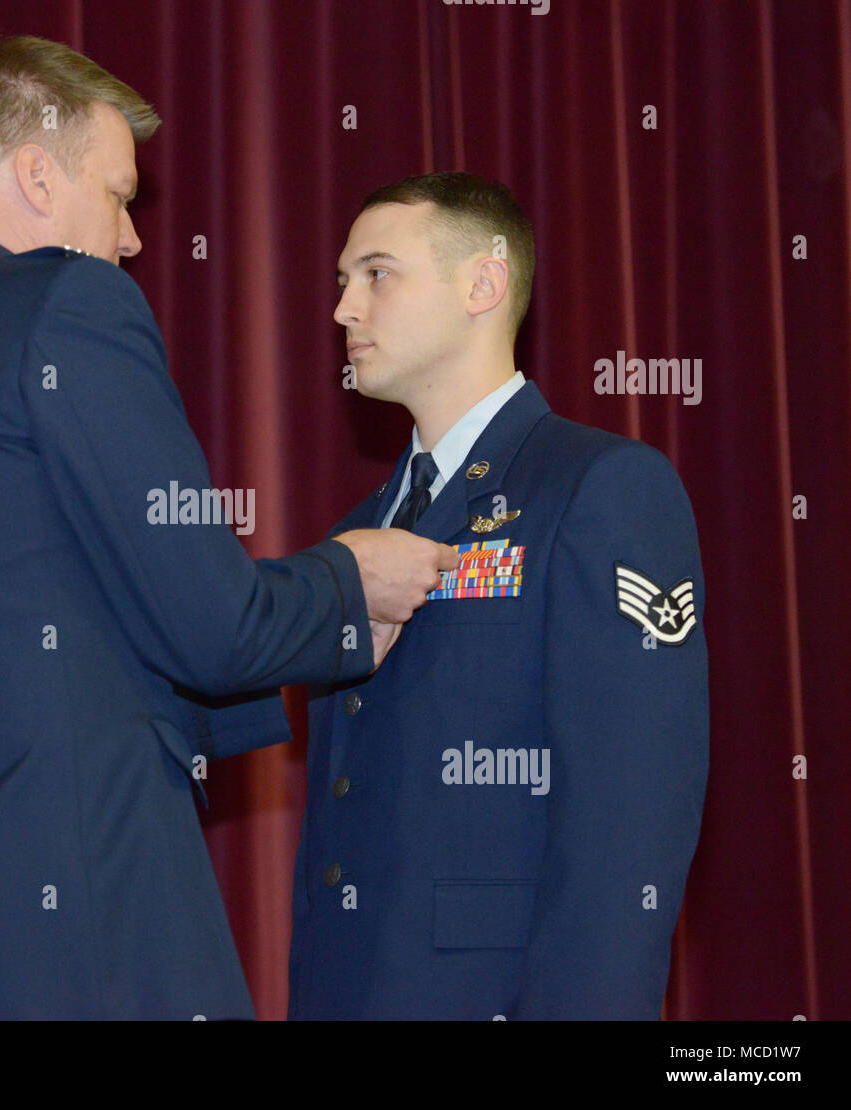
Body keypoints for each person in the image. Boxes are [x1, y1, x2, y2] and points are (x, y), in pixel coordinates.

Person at [0, 36, 453, 1020]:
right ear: (35, 174)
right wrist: (349, 584)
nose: (135, 237)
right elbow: (213, 624)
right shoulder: (65, 304)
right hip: (71, 930)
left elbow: (57, 631)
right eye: (118, 193)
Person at [288, 172, 709, 1019]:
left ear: (483, 284)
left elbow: (628, 823)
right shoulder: (358, 534)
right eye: (341, 282)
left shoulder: (600, 488)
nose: (343, 309)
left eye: (376, 274)